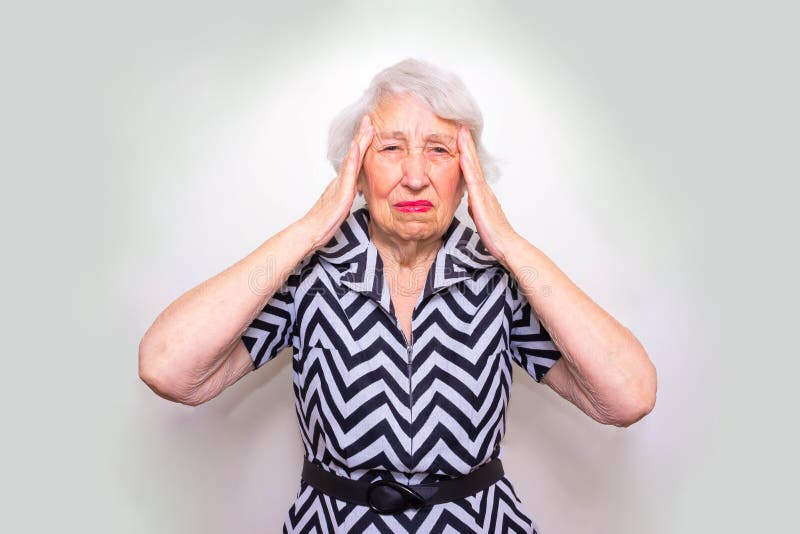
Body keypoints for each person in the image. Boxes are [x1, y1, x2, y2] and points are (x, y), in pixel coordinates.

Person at [139, 58, 657, 533]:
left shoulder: (501, 279)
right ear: (358, 172)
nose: (415, 176)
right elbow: (168, 367)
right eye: (390, 149)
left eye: (439, 150)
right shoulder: (305, 275)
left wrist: (510, 244)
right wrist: (313, 226)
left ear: (467, 174)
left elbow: (627, 396)